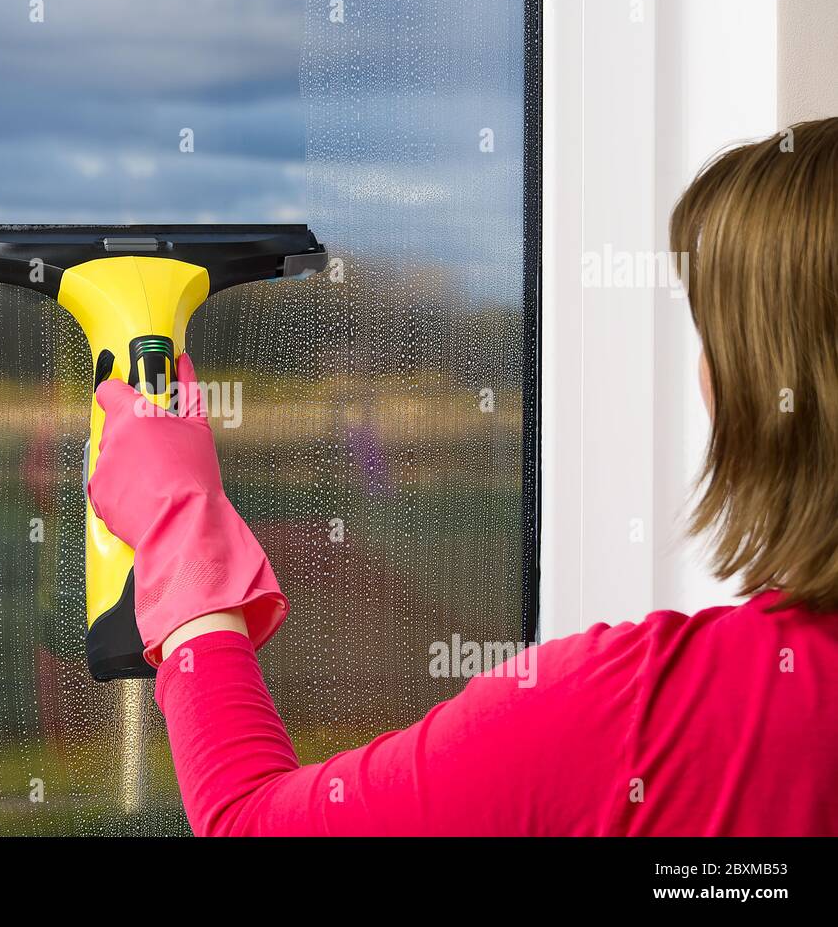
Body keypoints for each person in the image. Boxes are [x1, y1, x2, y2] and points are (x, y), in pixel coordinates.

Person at [85, 118, 838, 836]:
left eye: (712, 336)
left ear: (761, 388)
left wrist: (181, 525)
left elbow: (253, 823)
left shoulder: (645, 720)